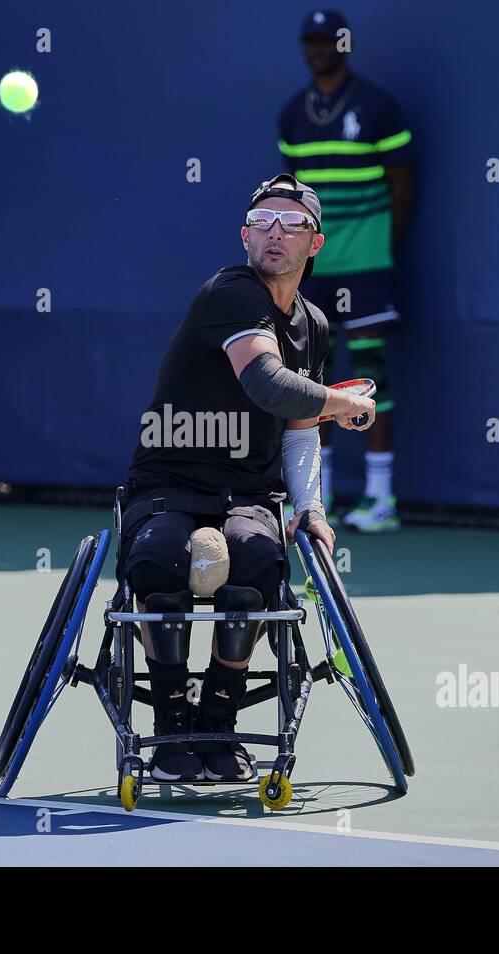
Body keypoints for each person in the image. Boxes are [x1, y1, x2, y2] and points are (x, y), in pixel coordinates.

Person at [116, 173, 375, 782]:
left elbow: (298, 428)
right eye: (262, 224)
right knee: (160, 562)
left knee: (259, 561)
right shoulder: (229, 293)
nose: (274, 234)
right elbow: (269, 385)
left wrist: (311, 510)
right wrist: (345, 404)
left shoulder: (313, 324)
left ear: (315, 243)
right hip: (167, 483)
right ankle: (172, 724)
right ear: (245, 238)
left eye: (290, 224)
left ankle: (220, 716)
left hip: (249, 494)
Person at [278, 9, 414, 533]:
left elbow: (403, 189)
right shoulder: (292, 114)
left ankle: (381, 498)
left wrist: (378, 248)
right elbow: (294, 200)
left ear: (344, 44)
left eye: (326, 39)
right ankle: (322, 495)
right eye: (308, 40)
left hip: (368, 267)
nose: (318, 48)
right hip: (314, 271)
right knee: (314, 380)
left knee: (371, 373)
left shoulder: (378, 107)